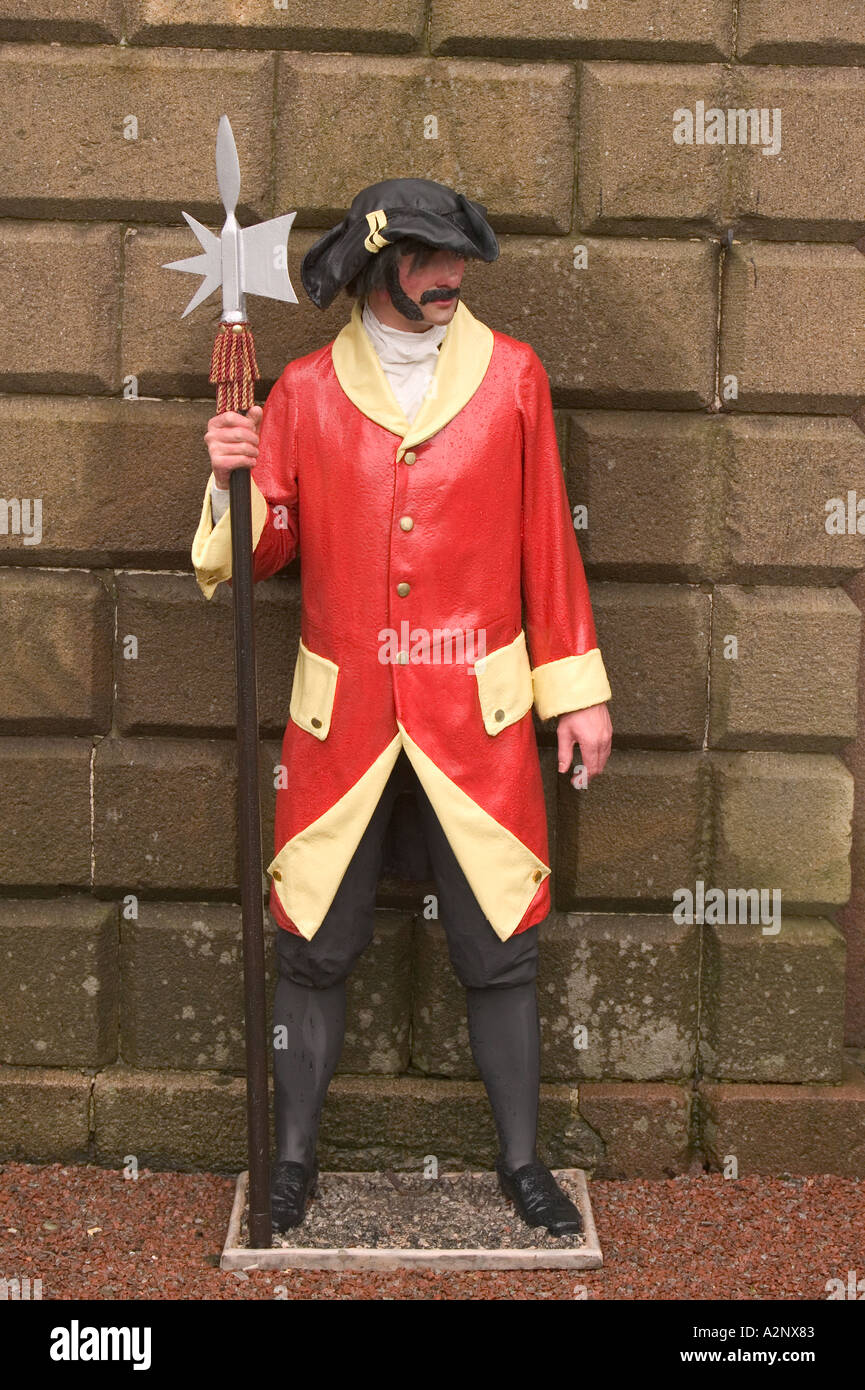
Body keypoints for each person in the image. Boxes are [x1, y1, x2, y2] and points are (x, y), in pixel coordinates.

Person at [191, 178, 613, 1238]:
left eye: (458, 257)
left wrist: (576, 694)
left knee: (500, 944)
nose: (450, 277)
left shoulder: (514, 378)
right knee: (312, 945)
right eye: (428, 260)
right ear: (379, 267)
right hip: (346, 725)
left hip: (478, 720)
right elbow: (263, 551)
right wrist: (231, 482)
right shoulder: (297, 393)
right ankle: (290, 1163)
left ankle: (521, 1164)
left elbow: (544, 547)